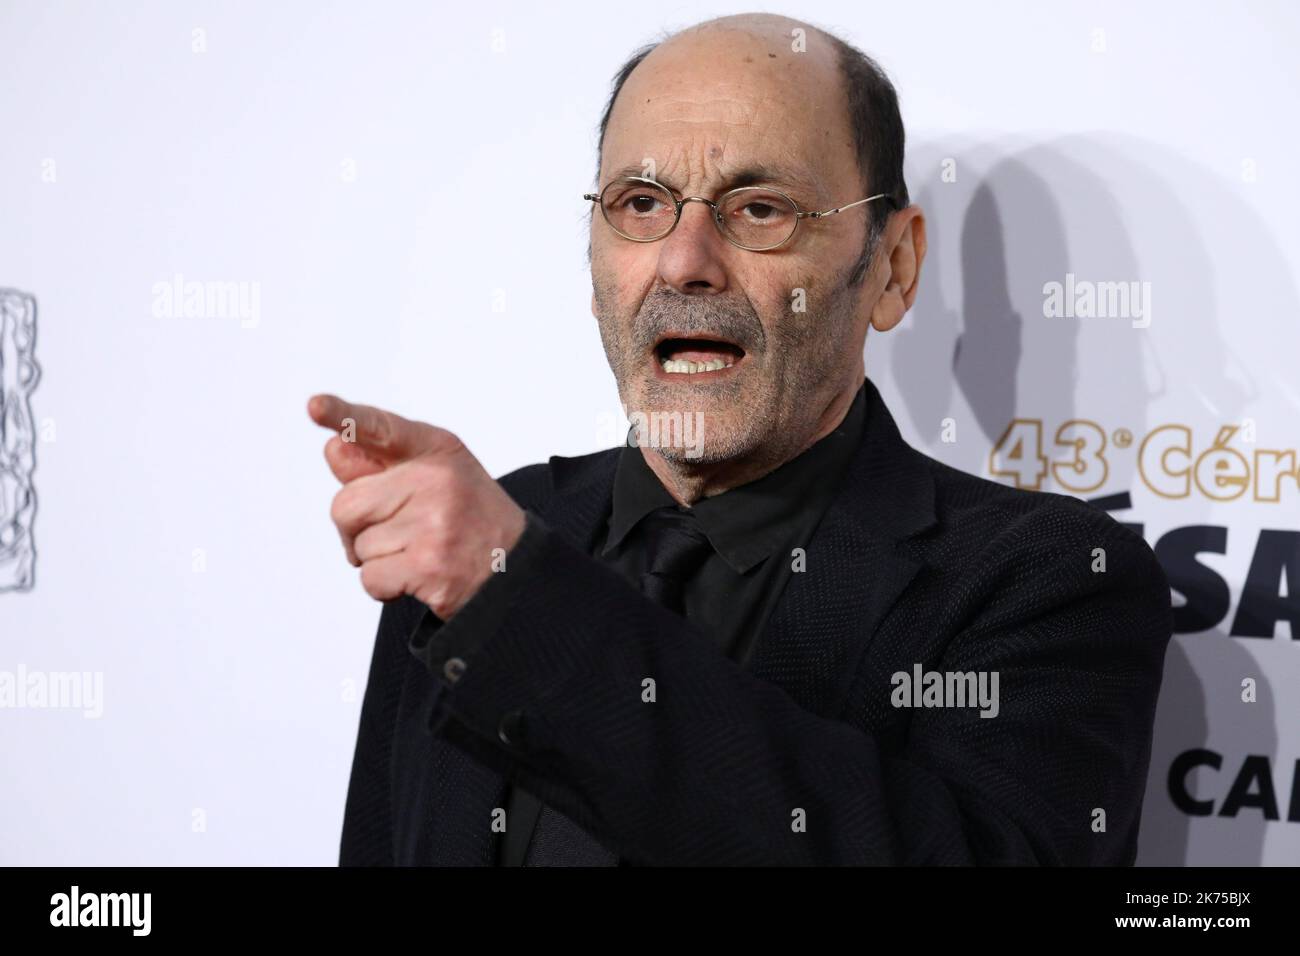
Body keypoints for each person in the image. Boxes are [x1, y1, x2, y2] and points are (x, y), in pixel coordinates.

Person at [310, 12, 1172, 865]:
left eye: (761, 209)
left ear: (891, 267)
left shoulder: (1049, 583)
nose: (686, 261)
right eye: (640, 204)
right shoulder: (496, 531)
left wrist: (530, 616)